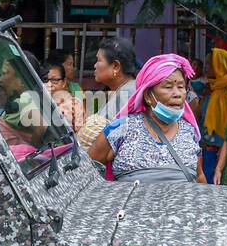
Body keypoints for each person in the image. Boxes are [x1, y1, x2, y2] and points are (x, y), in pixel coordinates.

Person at [87, 53, 203, 183]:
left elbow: (199, 178)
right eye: (168, 87)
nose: (177, 94)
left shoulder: (189, 131)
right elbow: (87, 171)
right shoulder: (121, 128)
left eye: (181, 87)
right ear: (148, 96)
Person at [198, 48, 227, 183]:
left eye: (210, 63)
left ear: (221, 64)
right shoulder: (210, 87)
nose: (206, 67)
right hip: (204, 149)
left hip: (222, 153)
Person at [0, 52, 48, 160]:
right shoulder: (27, 99)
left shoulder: (24, 101)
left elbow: (41, 127)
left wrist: (32, 152)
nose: (0, 79)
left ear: (22, 80)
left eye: (5, 73)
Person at [92, 35, 139, 116]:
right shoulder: (124, 89)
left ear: (116, 66)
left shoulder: (127, 94)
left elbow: (102, 127)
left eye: (99, 60)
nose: (95, 65)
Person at [44, 55, 85, 134]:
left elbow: (79, 134)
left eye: (55, 80)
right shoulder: (36, 102)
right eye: (45, 80)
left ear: (64, 82)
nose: (49, 84)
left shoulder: (74, 104)